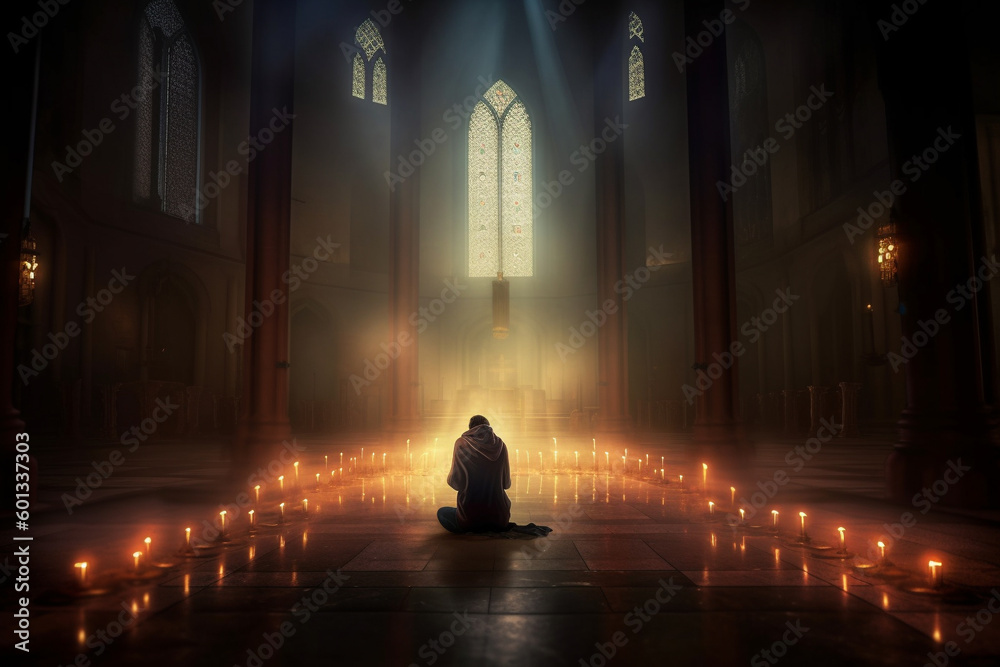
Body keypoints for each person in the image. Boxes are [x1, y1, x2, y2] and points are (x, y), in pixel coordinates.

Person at [437, 415, 511, 533]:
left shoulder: (461, 444)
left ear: (470, 428)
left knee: (442, 512)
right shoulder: (501, 445)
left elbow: (455, 483)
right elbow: (506, 484)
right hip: (500, 519)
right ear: (489, 427)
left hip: (471, 519)